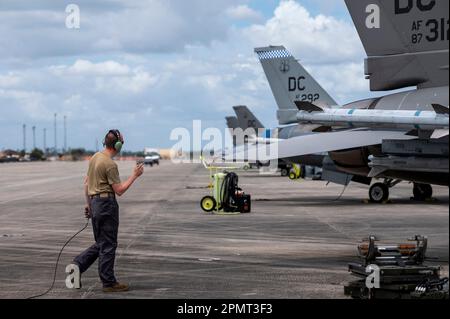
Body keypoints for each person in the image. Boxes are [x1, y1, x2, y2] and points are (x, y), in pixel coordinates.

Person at [73, 129, 144, 293]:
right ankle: (108, 283)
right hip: (106, 205)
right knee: (108, 245)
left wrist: (89, 205)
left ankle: (77, 265)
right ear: (118, 145)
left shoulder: (95, 157)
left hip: (96, 203)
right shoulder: (110, 164)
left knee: (102, 243)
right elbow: (119, 190)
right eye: (122, 143)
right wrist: (135, 175)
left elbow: (86, 184)